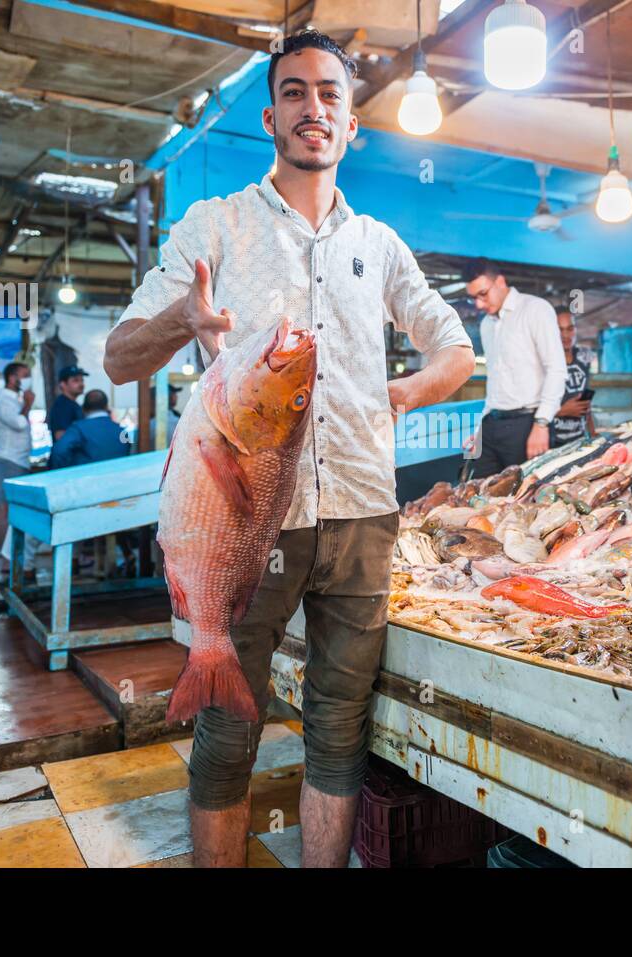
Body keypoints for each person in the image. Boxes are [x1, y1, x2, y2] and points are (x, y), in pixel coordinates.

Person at [102, 30, 474, 869]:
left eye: (332, 94)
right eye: (297, 92)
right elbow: (119, 356)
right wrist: (180, 323)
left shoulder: (378, 245)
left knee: (339, 731)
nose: (316, 107)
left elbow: (455, 348)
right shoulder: (215, 225)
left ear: (352, 125)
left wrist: (406, 391)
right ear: (270, 116)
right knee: (230, 730)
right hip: (248, 523)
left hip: (363, 519)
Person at [463, 260, 565, 477]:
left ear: (500, 282)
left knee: (525, 499)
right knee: (478, 493)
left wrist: (541, 423)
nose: (479, 304)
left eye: (483, 294)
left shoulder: (535, 309)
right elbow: (495, 380)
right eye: (474, 298)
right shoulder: (486, 325)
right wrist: (480, 428)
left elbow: (556, 369)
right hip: (492, 424)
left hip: (527, 424)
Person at [0, 361, 35, 552]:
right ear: (12, 378)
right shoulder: (3, 399)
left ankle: (13, 556)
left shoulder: (14, 399)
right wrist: (28, 404)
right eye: (25, 375)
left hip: (17, 460)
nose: (28, 379)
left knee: (14, 510)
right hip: (7, 460)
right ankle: (6, 560)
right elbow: (19, 423)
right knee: (6, 509)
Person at [551, 308, 596, 448]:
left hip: (580, 440)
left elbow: (586, 405)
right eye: (560, 329)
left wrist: (593, 434)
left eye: (570, 329)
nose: (565, 335)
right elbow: (530, 410)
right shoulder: (544, 362)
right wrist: (561, 411)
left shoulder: (584, 358)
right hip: (553, 443)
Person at [50, 390, 129, 467]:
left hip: (88, 477)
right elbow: (127, 452)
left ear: (83, 408)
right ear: (106, 407)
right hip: (117, 476)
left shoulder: (78, 429)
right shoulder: (122, 431)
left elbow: (58, 451)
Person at [48, 365, 87, 442]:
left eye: (82, 380)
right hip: (68, 453)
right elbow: (60, 437)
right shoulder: (62, 406)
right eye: (76, 380)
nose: (81, 384)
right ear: (63, 384)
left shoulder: (72, 404)